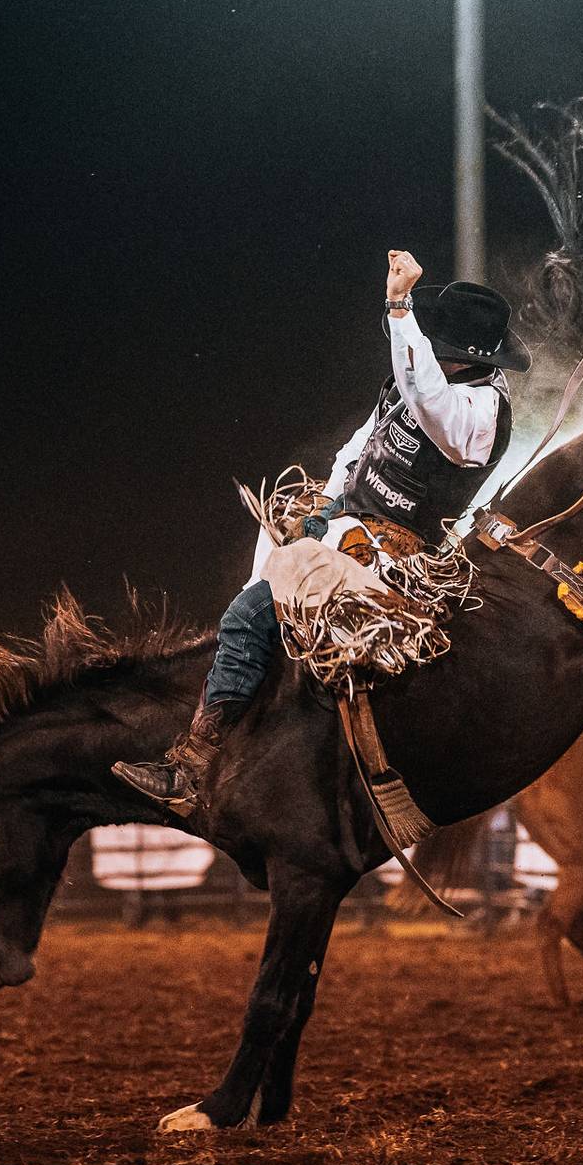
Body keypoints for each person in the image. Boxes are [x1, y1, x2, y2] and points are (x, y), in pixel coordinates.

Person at [115, 250, 528, 815]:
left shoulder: (478, 414)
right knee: (257, 601)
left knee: (247, 616)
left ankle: (191, 768)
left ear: (457, 356)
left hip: (392, 554)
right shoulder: (429, 387)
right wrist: (329, 504)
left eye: (434, 341)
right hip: (347, 525)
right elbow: (366, 441)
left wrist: (401, 306)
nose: (424, 347)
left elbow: (426, 396)